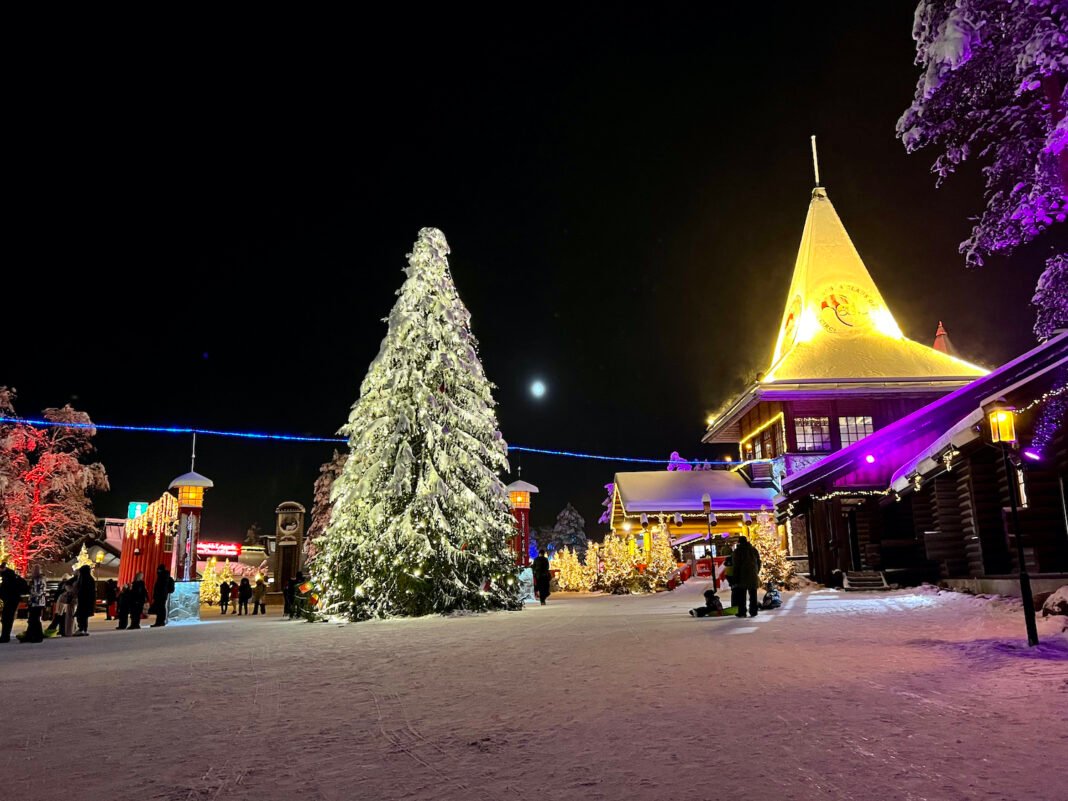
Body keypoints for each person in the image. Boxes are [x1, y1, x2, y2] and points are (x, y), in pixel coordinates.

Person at [731, 536, 762, 618]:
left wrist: (735, 577)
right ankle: (753, 611)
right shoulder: (754, 550)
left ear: (739, 542)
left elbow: (736, 565)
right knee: (753, 595)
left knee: (741, 595)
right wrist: (756, 572)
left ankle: (742, 612)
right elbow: (759, 562)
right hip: (753, 575)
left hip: (742, 576)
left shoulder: (738, 551)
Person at [18, 564, 48, 643]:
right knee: (32, 619)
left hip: (37, 602)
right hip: (36, 602)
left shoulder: (38, 580)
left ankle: (37, 636)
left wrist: (29, 590)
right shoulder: (38, 579)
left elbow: (37, 592)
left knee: (35, 620)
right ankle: (30, 635)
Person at [0, 563, 29, 643]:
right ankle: (5, 636)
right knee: (7, 618)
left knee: (6, 618)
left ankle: (5, 637)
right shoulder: (13, 576)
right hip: (14, 600)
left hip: (10, 600)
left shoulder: (8, 577)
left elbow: (4, 589)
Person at [74, 564, 96, 636]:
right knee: (85, 616)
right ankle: (84, 629)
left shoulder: (83, 579)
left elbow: (81, 589)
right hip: (89, 601)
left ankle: (81, 629)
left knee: (81, 615)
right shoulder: (91, 579)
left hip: (83, 600)